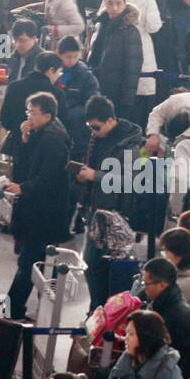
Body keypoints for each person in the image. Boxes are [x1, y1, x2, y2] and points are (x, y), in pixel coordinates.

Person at [5, 91, 71, 320]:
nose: (28, 117)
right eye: (28, 112)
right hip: (37, 210)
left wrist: (24, 188)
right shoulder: (40, 134)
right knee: (37, 264)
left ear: (47, 115)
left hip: (43, 213)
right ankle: (37, 310)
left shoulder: (53, 139)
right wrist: (24, 139)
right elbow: (26, 166)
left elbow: (49, 177)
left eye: (33, 113)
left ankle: (13, 309)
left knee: (29, 262)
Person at [77, 96, 144, 309]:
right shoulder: (97, 138)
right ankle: (98, 308)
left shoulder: (128, 145)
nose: (92, 131)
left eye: (96, 127)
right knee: (93, 264)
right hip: (96, 210)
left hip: (115, 214)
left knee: (104, 265)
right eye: (89, 127)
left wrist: (94, 176)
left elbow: (130, 180)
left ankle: (104, 309)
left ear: (110, 120)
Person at [139, 257, 190, 379]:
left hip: (185, 375)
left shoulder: (173, 314)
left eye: (146, 284)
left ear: (162, 285)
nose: (144, 288)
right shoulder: (167, 303)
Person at [0, 51, 64, 159]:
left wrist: (19, 131)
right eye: (58, 73)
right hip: (45, 150)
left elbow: (5, 119)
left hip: (18, 148)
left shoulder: (14, 87)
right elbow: (62, 123)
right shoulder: (56, 93)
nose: (58, 77)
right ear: (51, 70)